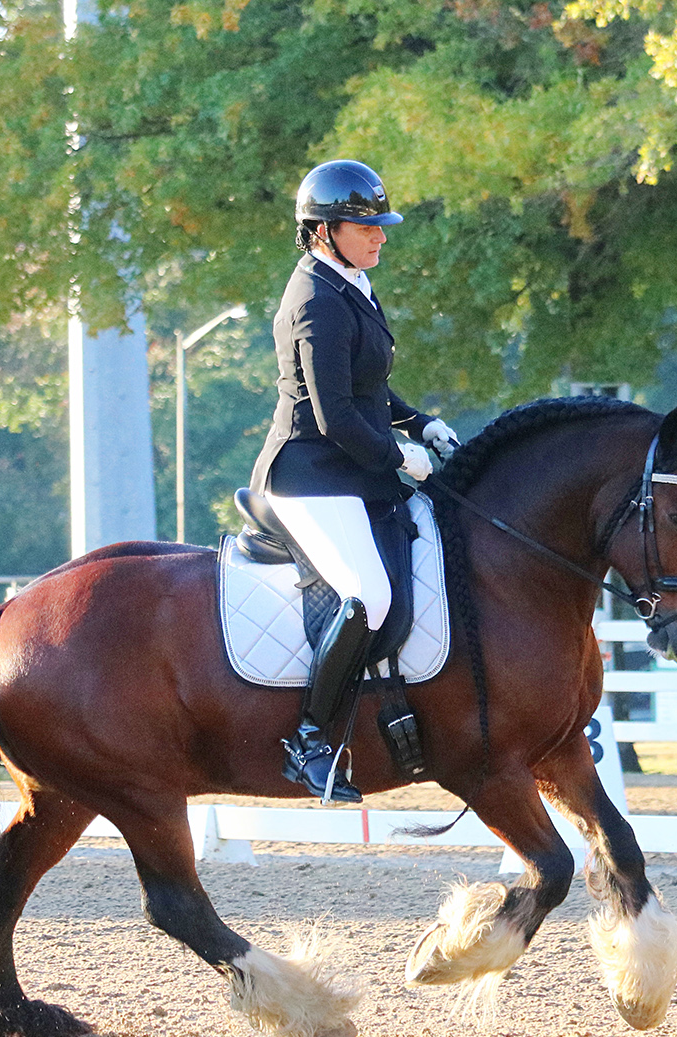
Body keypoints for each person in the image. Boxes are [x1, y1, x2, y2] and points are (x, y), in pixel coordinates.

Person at [248, 159, 461, 802]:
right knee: (368, 595)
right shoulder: (315, 299)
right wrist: (399, 457)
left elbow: (368, 387)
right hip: (308, 474)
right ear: (323, 231)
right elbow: (334, 415)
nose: (380, 236)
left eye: (380, 225)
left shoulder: (350, 283)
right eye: (365, 227)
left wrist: (420, 422)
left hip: (350, 469)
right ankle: (309, 738)